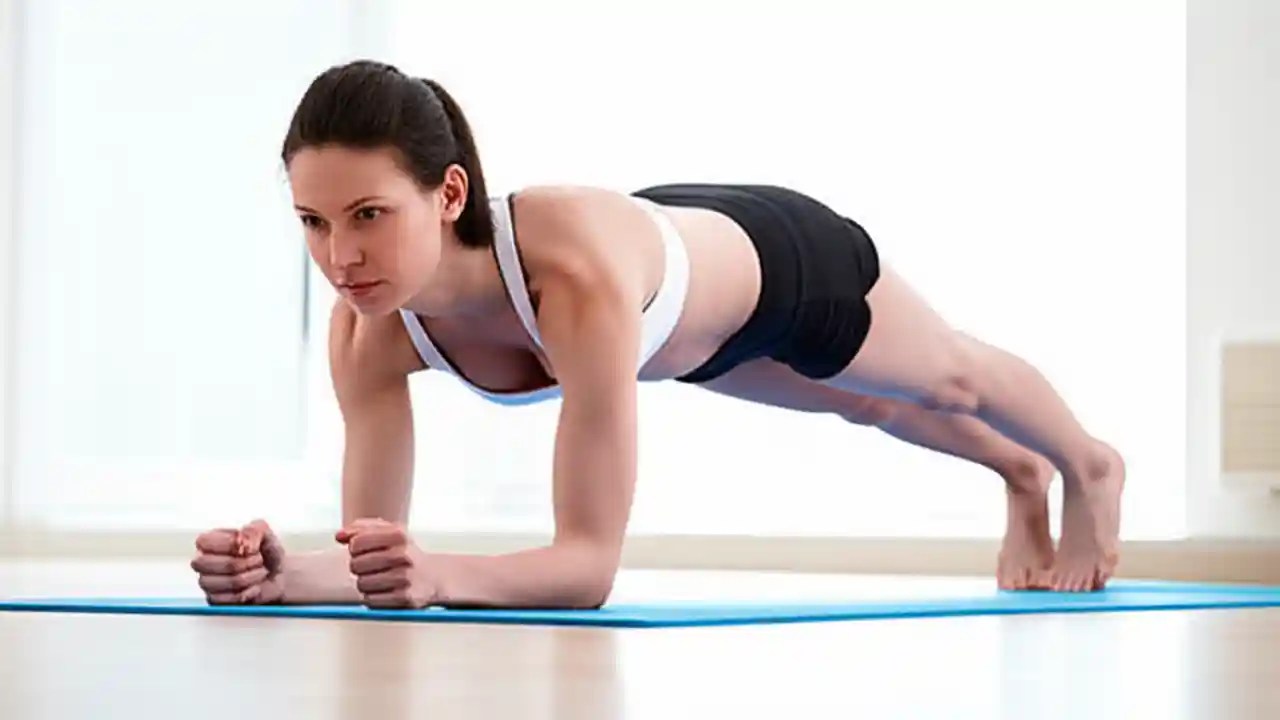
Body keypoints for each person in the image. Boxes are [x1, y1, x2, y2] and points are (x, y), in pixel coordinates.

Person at [190, 60, 1125, 610]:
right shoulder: (367, 331)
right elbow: (375, 550)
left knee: (944, 379)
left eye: (366, 214)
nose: (341, 257)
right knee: (871, 405)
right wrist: (289, 575)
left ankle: (1085, 466)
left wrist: (440, 574)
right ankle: (1019, 473)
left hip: (771, 257)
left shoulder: (574, 283)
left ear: (448, 195)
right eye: (313, 222)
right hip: (685, 321)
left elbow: (587, 565)